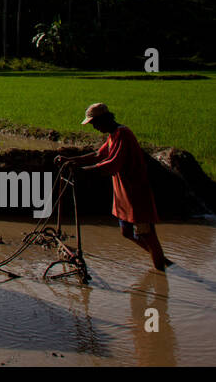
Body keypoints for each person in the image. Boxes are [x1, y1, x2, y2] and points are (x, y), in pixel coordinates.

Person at [56, 102, 171, 271]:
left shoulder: (123, 134)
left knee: (147, 234)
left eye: (94, 123)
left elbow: (113, 164)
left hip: (136, 193)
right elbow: (98, 155)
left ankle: (161, 272)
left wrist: (84, 170)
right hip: (124, 193)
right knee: (126, 232)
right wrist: (70, 161)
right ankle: (159, 257)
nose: (94, 127)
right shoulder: (113, 136)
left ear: (104, 119)